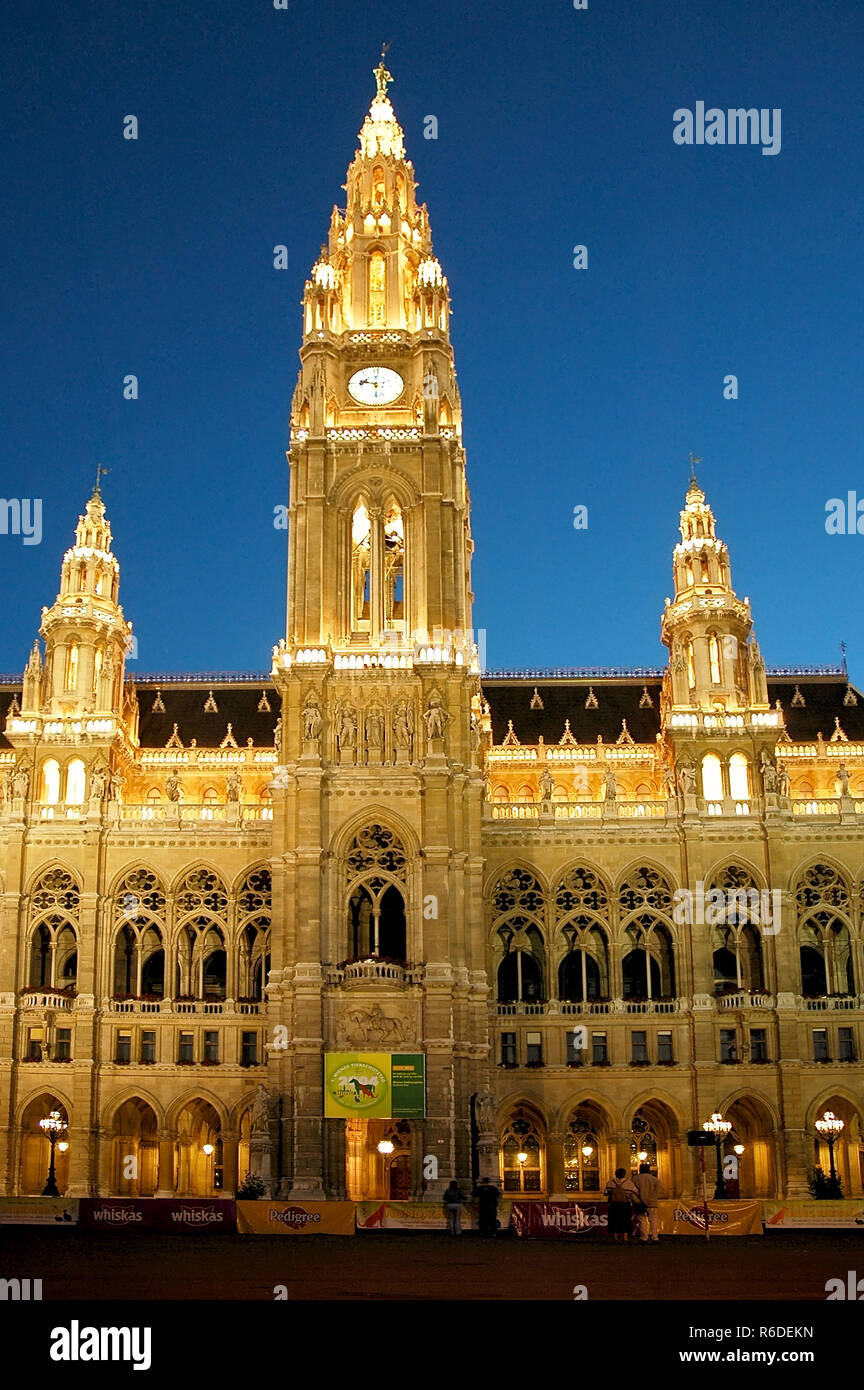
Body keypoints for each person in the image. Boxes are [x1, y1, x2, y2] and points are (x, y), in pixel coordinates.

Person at [604, 1167, 639, 1244]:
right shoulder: (628, 1183)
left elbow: (605, 1193)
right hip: (625, 1204)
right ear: (624, 1174)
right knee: (626, 1221)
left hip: (613, 1205)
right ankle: (625, 1238)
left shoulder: (610, 1182)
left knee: (614, 1221)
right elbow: (636, 1191)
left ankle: (615, 1238)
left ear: (615, 1174)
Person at [633, 1162, 664, 1242]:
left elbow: (632, 1192)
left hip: (639, 1203)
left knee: (642, 1220)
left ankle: (644, 1237)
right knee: (653, 1220)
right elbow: (657, 1192)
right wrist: (651, 1199)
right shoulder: (655, 1180)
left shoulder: (635, 1179)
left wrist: (637, 1200)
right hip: (652, 1203)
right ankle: (655, 1237)